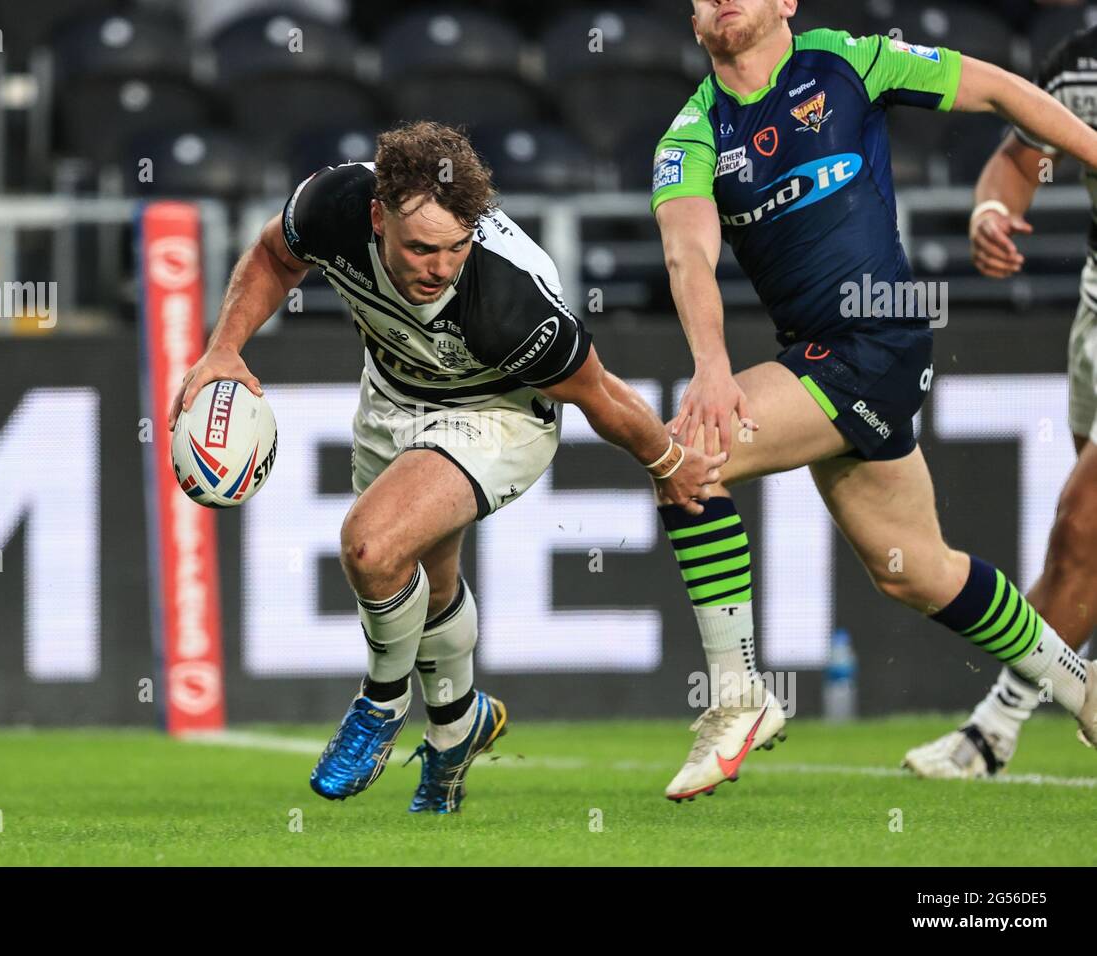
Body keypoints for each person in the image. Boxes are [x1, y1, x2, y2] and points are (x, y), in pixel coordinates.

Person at [171, 121, 722, 812]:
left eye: (457, 247)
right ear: (377, 216)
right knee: (425, 585)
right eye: (422, 248)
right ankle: (458, 727)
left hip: (499, 413)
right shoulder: (335, 205)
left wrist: (667, 459)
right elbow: (276, 257)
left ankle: (380, 704)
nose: (440, 266)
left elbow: (600, 394)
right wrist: (223, 348)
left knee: (372, 548)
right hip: (393, 392)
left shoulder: (505, 303)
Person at [650, 0, 1097, 801]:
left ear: (785, 1)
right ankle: (1080, 686)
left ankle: (738, 693)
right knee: (918, 571)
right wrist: (709, 361)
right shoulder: (691, 134)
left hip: (877, 334)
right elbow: (688, 251)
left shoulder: (851, 62)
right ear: (691, 18)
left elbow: (1000, 91)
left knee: (689, 456)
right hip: (822, 358)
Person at [904, 23, 1097, 778]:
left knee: (1082, 522)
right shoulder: (1078, 62)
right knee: (1087, 540)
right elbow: (1021, 158)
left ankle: (994, 730)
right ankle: (996, 732)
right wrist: (991, 211)